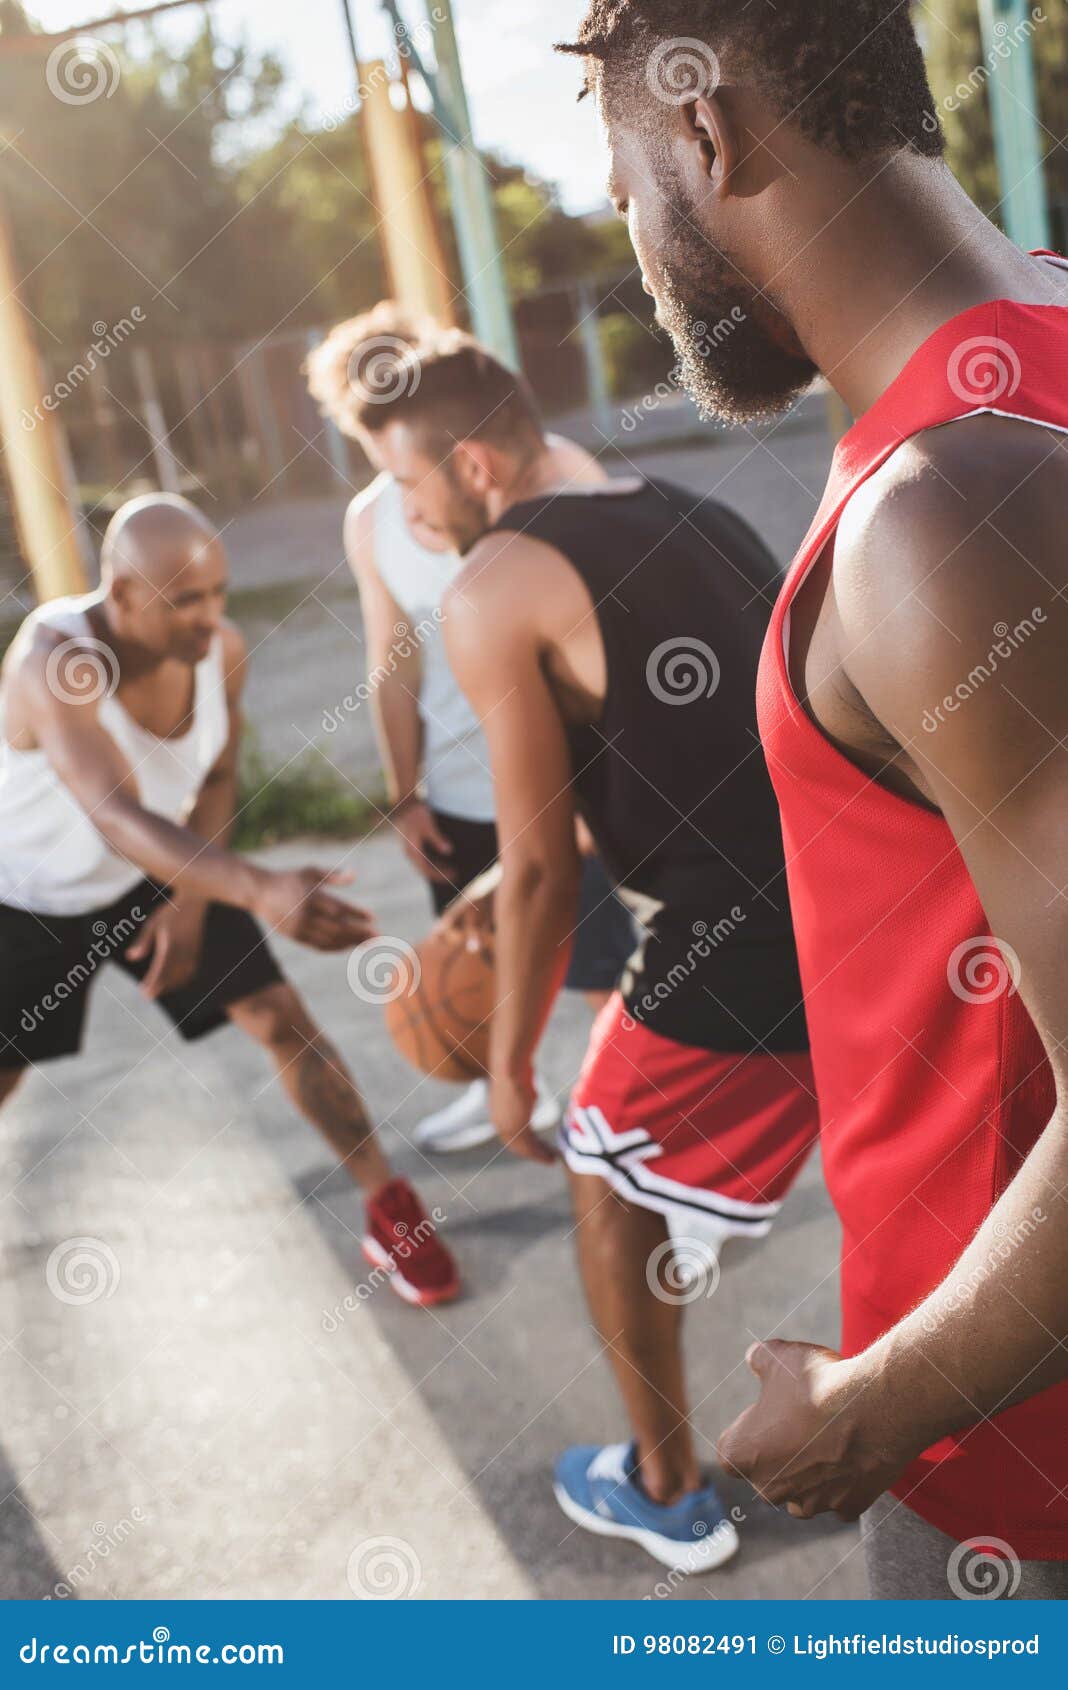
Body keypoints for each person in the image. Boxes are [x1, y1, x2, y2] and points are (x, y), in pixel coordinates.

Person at [558, 0, 1068, 1597]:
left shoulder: (941, 506)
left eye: (629, 182)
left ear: (707, 132)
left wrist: (875, 1403)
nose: (636, 238)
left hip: (1013, 1469)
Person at [351, 335, 816, 1574]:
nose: (405, 517)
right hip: (861, 901)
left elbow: (549, 865)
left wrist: (506, 1066)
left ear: (474, 460)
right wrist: (514, 874)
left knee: (603, 1176)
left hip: (746, 931)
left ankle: (667, 1487)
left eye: (407, 489)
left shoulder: (495, 579)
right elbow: (711, 754)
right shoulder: (695, 513)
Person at [0, 493, 458, 1309]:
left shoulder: (220, 651)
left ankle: (389, 1206)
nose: (211, 618)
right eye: (186, 600)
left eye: (218, 592)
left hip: (160, 865)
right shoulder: (53, 660)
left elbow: (214, 777)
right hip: (25, 891)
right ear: (123, 593)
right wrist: (255, 884)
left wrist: (188, 897)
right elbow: (112, 812)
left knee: (284, 1020)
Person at [306, 303, 636, 1153]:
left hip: (563, 779)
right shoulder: (374, 518)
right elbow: (393, 659)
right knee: (476, 965)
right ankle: (505, 1092)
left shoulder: (553, 468)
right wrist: (402, 795)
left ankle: (624, 1111)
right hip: (457, 784)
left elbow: (612, 629)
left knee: (603, 969)